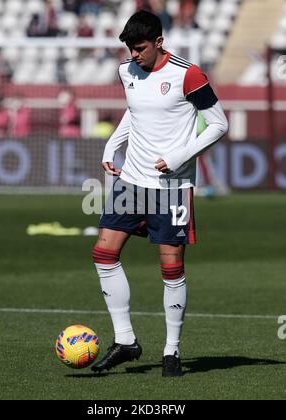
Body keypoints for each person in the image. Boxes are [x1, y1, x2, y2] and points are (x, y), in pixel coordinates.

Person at [91, 11, 228, 377]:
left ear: (159, 42)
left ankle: (172, 351)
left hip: (172, 188)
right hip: (131, 181)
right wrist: (111, 146)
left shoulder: (188, 74)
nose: (134, 55)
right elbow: (135, 113)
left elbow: (219, 124)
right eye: (130, 49)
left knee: (170, 269)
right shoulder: (127, 72)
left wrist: (179, 157)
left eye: (139, 48)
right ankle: (125, 341)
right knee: (103, 253)